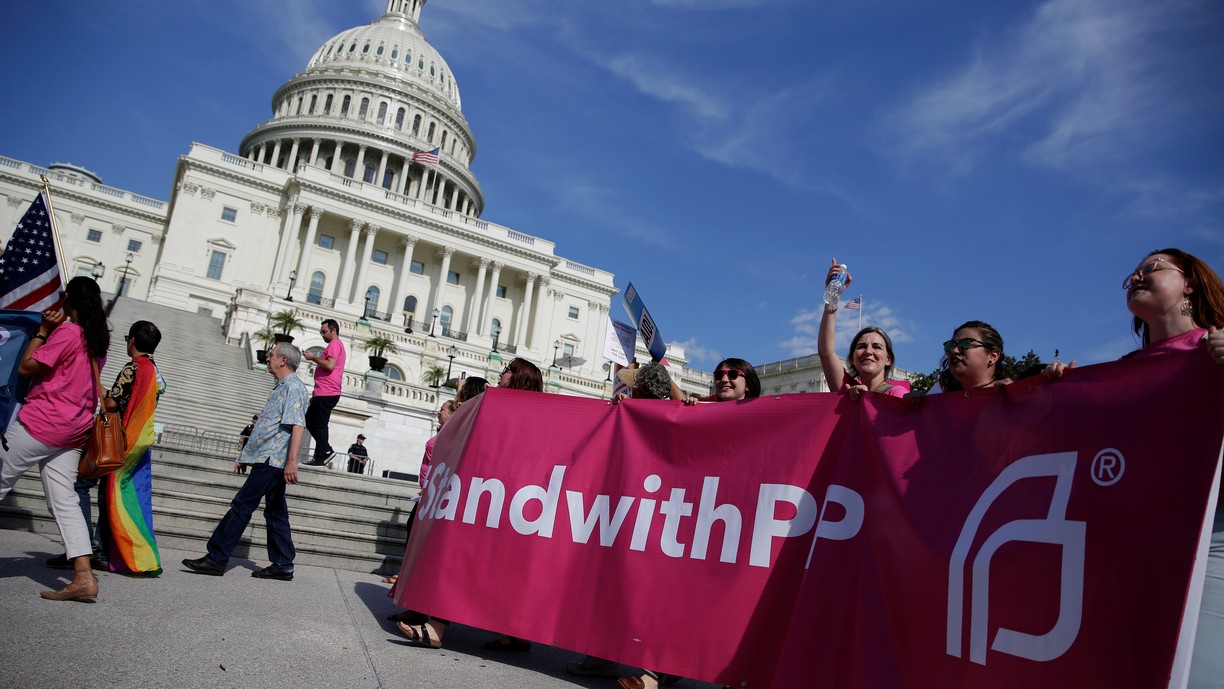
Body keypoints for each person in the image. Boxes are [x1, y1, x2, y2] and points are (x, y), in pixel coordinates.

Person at [1045, 248, 1224, 689]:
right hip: (1128, 559)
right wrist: (1052, 397)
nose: (1137, 276)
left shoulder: (1218, 351)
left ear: (1190, 285)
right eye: (1134, 272)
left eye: (1154, 267)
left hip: (1210, 550)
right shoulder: (1121, 375)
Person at [617, 358, 761, 689]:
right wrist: (627, 405)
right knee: (681, 596)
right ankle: (654, 673)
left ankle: (735, 677)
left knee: (735, 605)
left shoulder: (769, 413)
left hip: (742, 522)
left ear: (748, 383)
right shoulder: (702, 407)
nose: (724, 379)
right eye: (719, 375)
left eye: (733, 374)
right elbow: (666, 409)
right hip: (701, 517)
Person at [397, 358, 543, 650]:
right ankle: (440, 626)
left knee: (468, 555)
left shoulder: (520, 410)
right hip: (494, 496)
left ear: (518, 378)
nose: (502, 372)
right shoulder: (503, 404)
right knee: (462, 554)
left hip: (501, 498)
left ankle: (506, 633)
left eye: (508, 369)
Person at [0, 276, 110, 601]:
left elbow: (27, 366)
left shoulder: (69, 332)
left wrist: (42, 332)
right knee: (65, 502)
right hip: (74, 429)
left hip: (42, 422)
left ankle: (83, 577)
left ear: (68, 300)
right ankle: (83, 577)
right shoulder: (98, 340)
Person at [181, 342, 307, 580]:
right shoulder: (281, 387)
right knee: (276, 511)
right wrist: (246, 455)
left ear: (283, 360)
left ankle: (216, 558)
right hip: (268, 457)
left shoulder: (293, 386)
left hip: (273, 459)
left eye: (271, 355)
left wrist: (292, 462)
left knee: (242, 505)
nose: (267, 358)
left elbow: (298, 425)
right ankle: (282, 563)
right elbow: (267, 426)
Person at [97, 320, 166, 575]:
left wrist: (95, 382)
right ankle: (116, 550)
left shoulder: (133, 368)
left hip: (124, 439)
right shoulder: (154, 370)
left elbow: (112, 402)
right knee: (130, 496)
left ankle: (106, 551)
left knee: (112, 495)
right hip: (142, 440)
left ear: (133, 341)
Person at [817, 261, 907, 399]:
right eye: (861, 346)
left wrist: (869, 401)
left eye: (876, 347)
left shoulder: (896, 394)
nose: (868, 351)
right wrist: (832, 297)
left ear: (888, 359)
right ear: (852, 359)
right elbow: (826, 353)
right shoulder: (847, 389)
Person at [302, 318, 345, 466]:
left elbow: (330, 365)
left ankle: (321, 455)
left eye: (324, 331)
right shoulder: (335, 345)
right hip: (322, 391)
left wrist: (313, 358)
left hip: (327, 391)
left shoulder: (334, 344)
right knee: (310, 421)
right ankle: (325, 449)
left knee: (320, 424)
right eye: (321, 332)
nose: (322, 335)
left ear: (333, 331)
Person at [935, 320, 1007, 393]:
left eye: (965, 344)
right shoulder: (934, 399)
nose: (954, 350)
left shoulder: (1013, 397)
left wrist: (1015, 392)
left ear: (993, 356)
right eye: (950, 345)